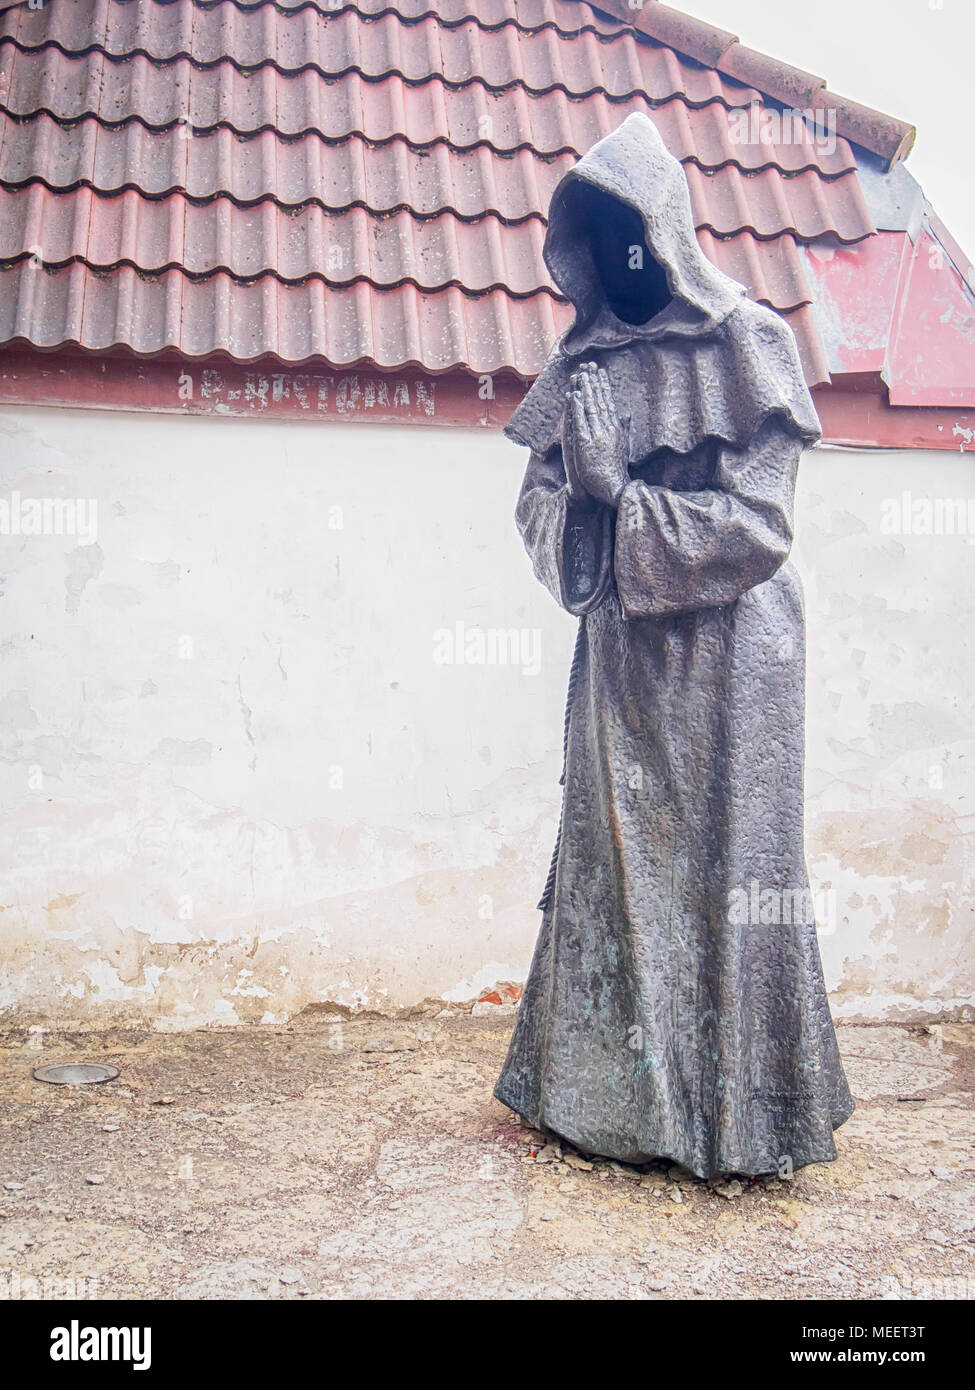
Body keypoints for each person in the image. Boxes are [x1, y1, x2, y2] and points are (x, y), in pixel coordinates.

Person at [493, 113, 854, 1180]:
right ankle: (607, 1101)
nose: (620, 258)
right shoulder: (584, 364)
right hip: (623, 665)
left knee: (736, 879)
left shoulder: (749, 341)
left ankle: (741, 1115)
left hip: (736, 666)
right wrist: (588, 503)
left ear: (667, 229)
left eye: (630, 234)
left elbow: (757, 529)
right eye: (596, 239)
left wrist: (625, 493)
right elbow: (539, 506)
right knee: (615, 873)